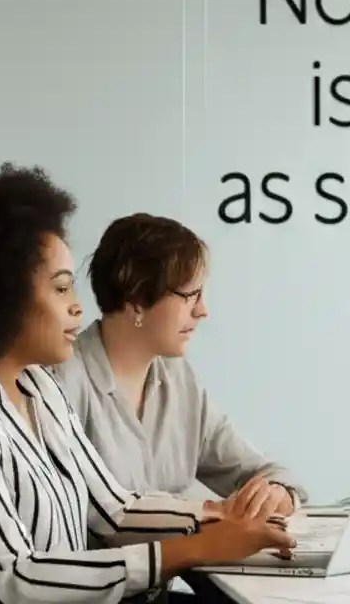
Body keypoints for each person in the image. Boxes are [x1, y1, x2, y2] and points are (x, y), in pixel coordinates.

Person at [0, 164, 294, 604]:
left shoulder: (37, 388)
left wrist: (222, 515)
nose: (77, 307)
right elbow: (14, 580)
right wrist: (198, 547)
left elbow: (114, 510)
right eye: (61, 288)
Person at [54, 213, 307, 521]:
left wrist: (278, 492)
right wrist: (211, 513)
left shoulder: (179, 378)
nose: (203, 311)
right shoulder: (60, 383)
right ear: (136, 300)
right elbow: (98, 518)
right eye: (191, 296)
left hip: (181, 568)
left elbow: (264, 471)